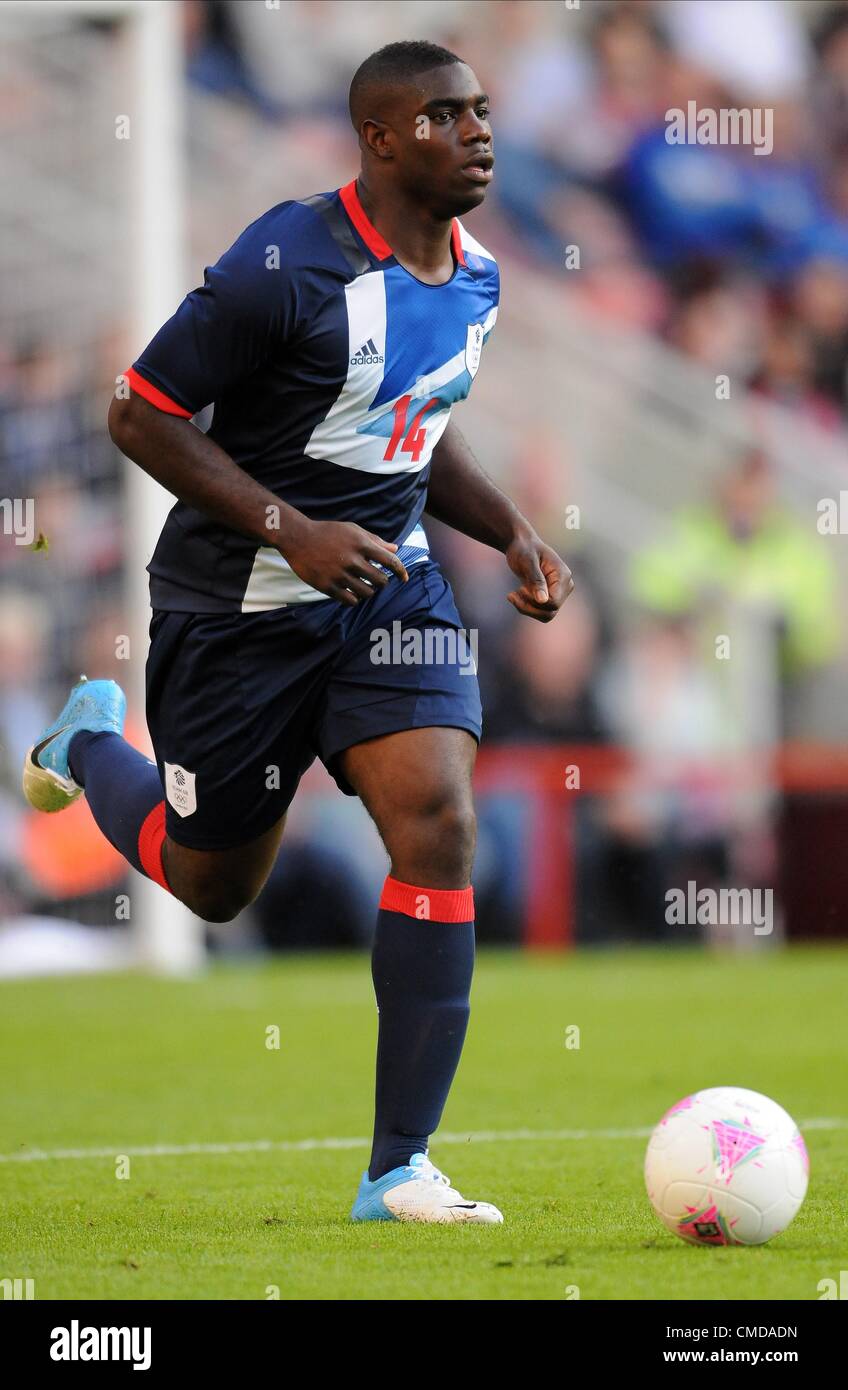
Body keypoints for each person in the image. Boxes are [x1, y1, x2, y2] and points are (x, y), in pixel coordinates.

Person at [22, 42, 572, 1225]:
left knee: (435, 816)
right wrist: (292, 530)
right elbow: (139, 410)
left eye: (479, 111)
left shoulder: (475, 275)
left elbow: (412, 427)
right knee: (213, 882)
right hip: (238, 612)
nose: (475, 132)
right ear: (378, 140)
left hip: (388, 593)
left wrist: (510, 530)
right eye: (441, 116)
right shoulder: (283, 262)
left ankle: (398, 1169)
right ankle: (84, 749)